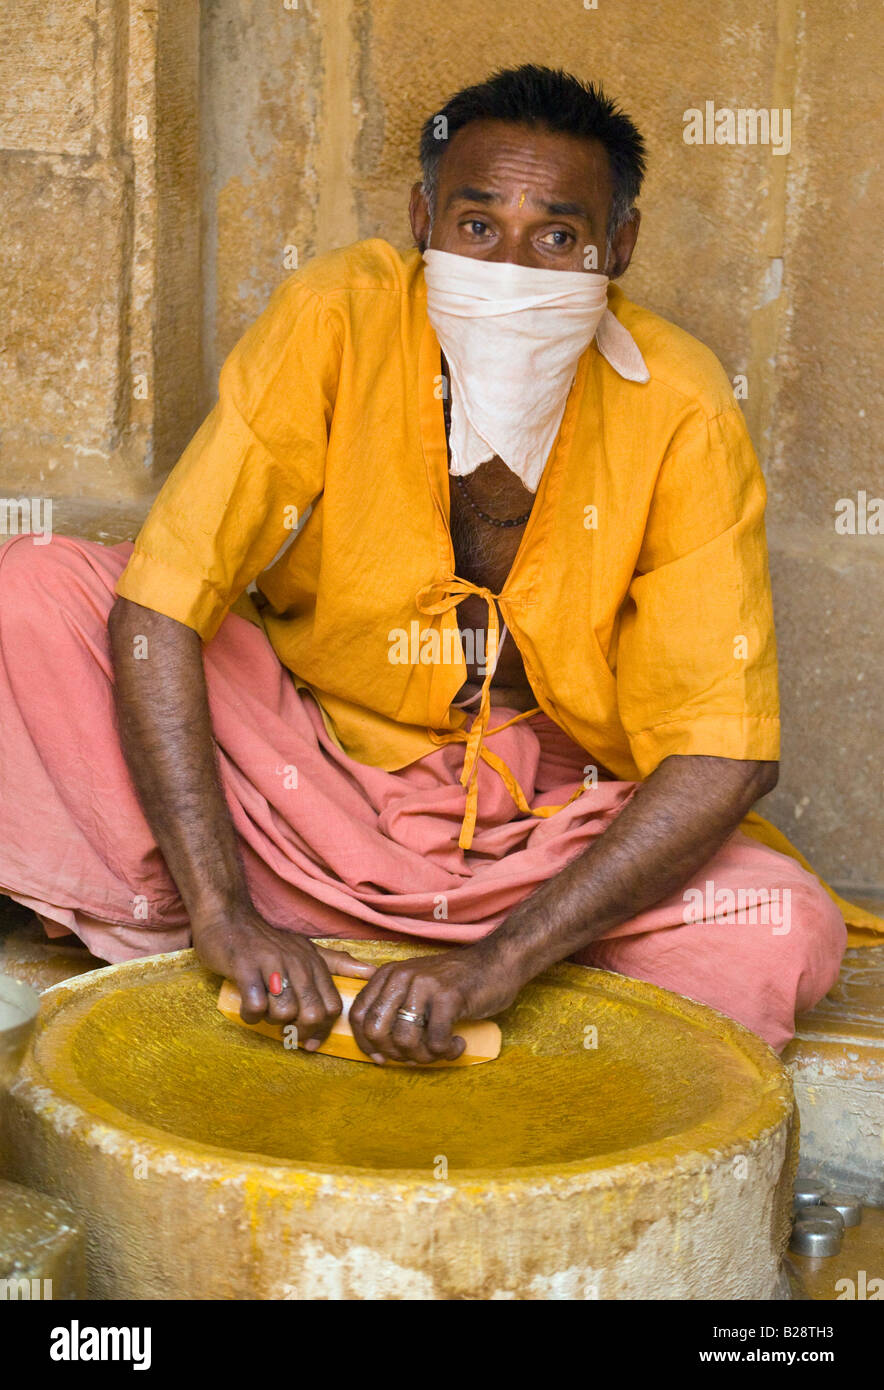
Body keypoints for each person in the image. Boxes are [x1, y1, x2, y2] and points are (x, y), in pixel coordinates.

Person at [0, 66, 850, 1061]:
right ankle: (224, 927)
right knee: (34, 590)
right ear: (421, 218)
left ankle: (463, 959)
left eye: (558, 238)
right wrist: (224, 906)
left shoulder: (679, 400)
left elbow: (724, 753)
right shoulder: (339, 314)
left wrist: (498, 960)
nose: (512, 268)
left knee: (776, 923)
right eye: (477, 227)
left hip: (533, 837)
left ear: (616, 248)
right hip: (307, 778)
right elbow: (160, 605)